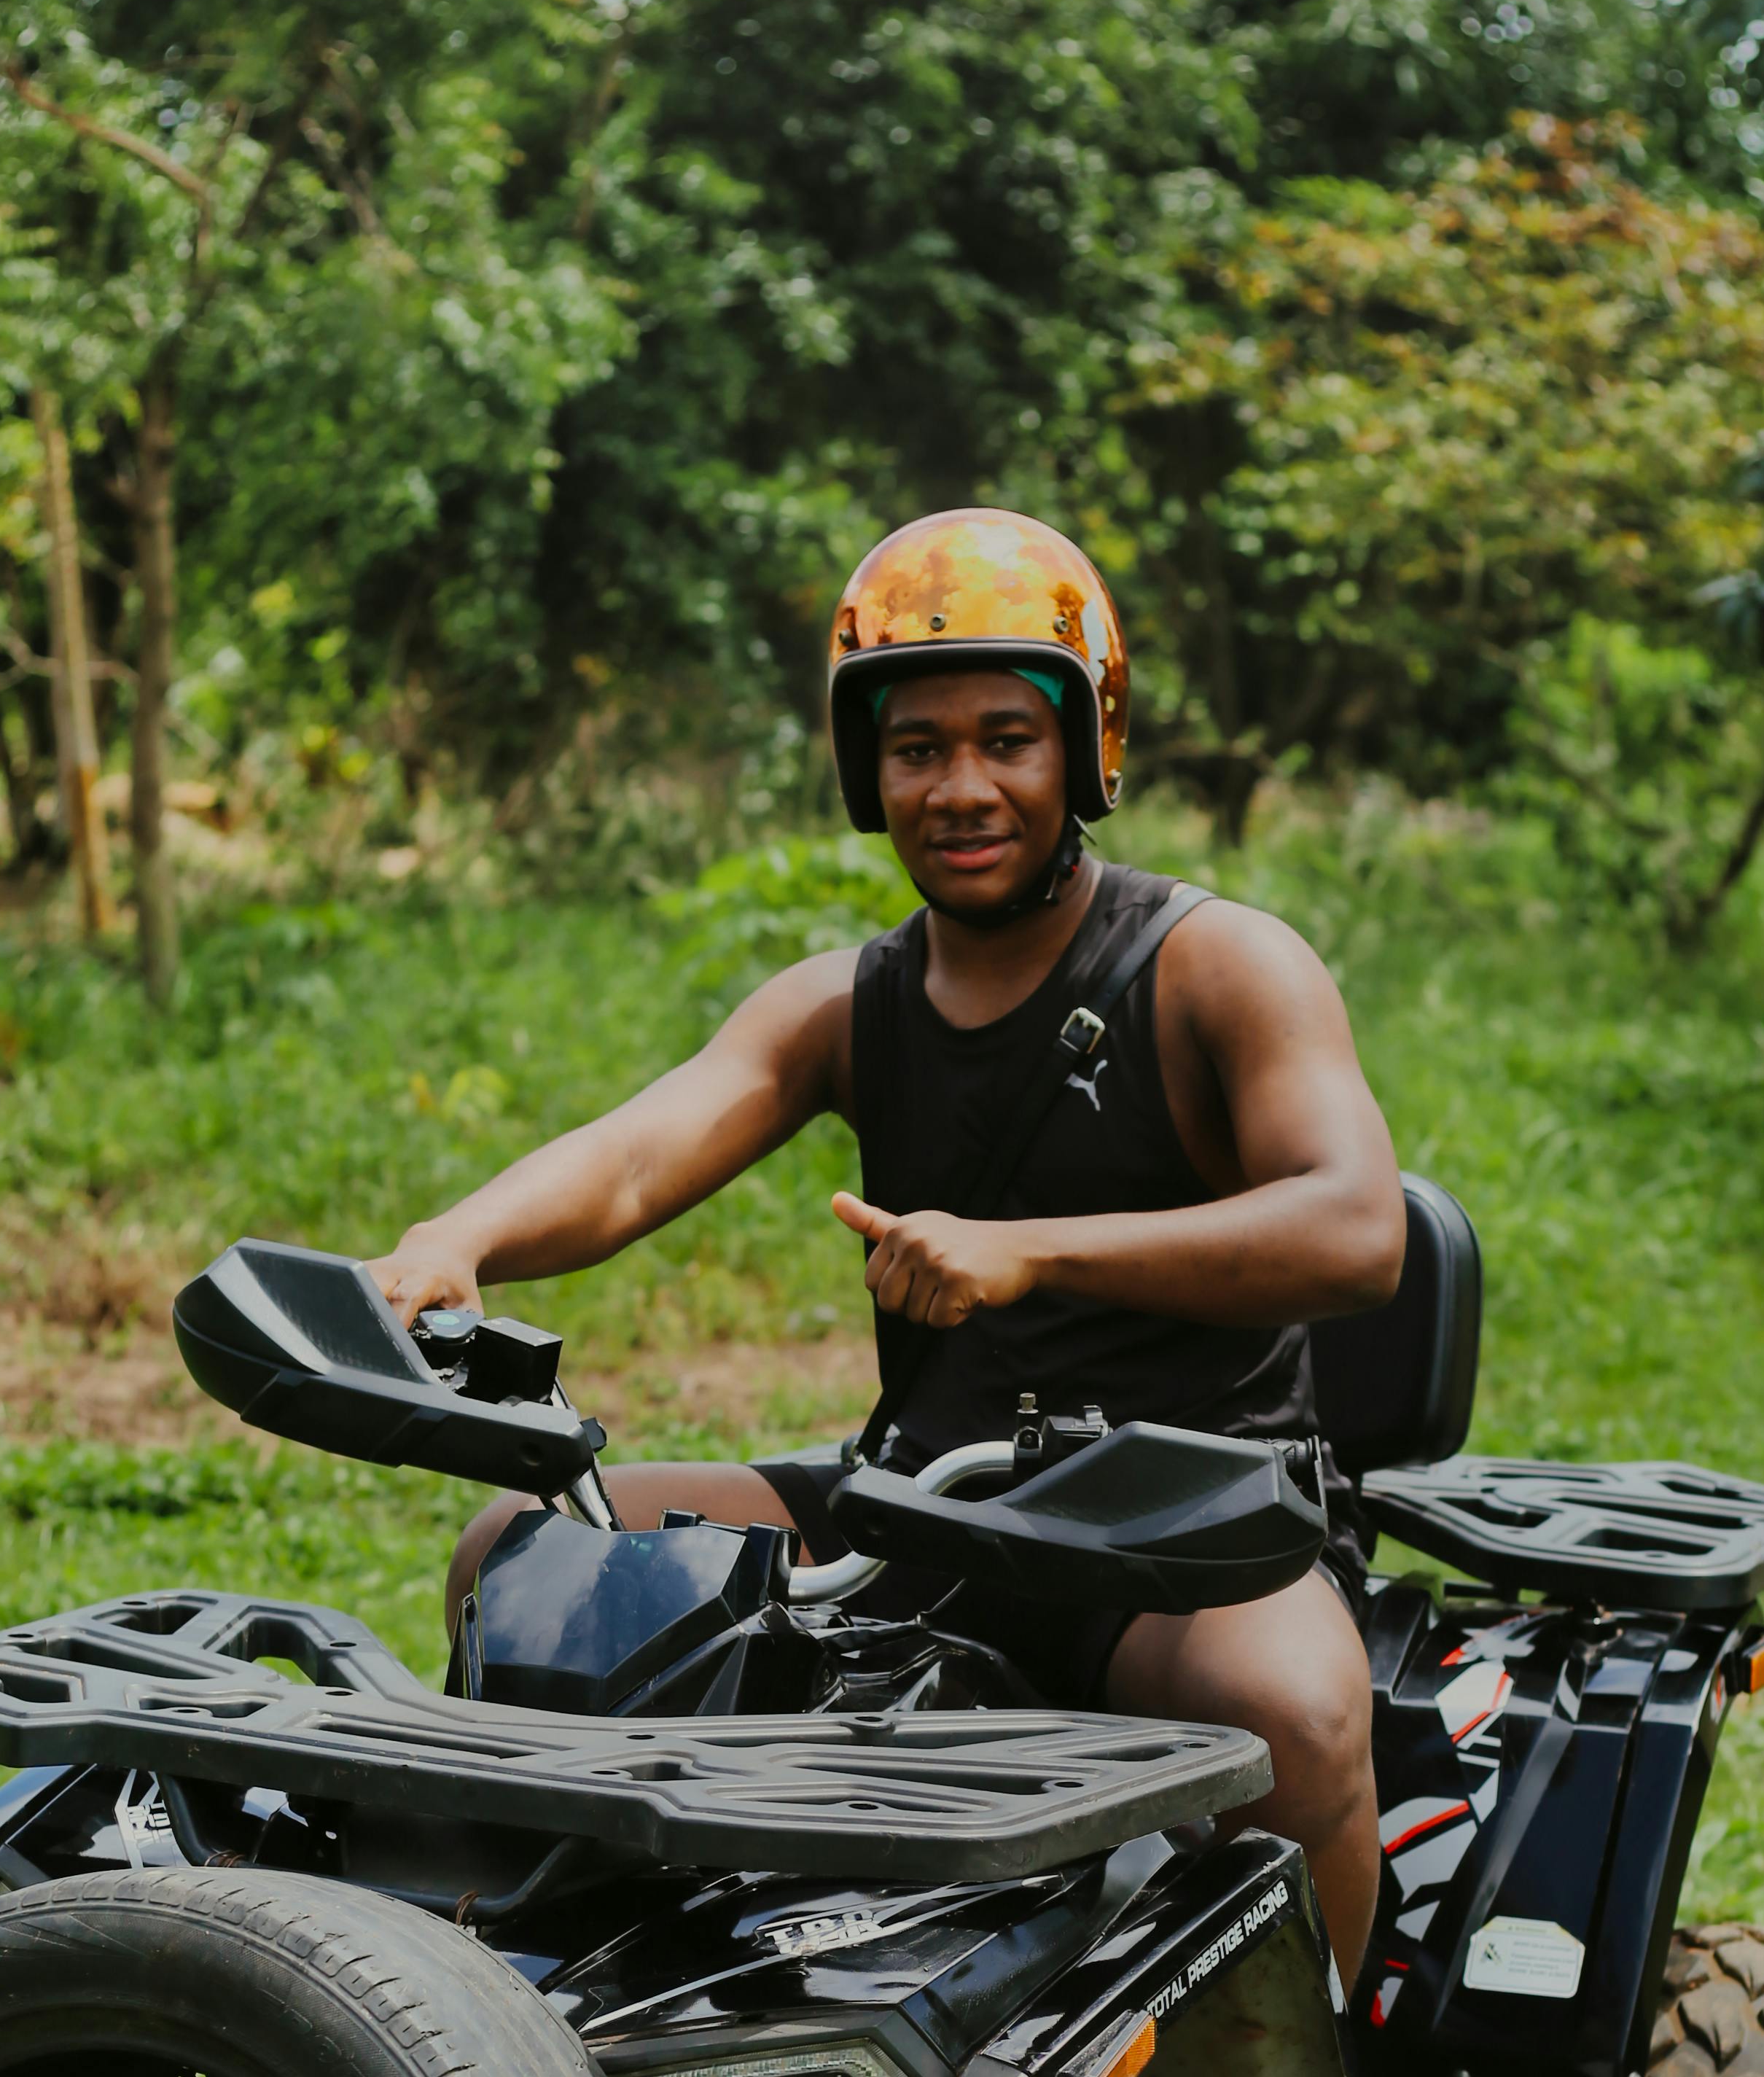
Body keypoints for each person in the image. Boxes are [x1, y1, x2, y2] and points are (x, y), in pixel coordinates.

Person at [375, 507, 1405, 1983]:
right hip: (924, 1508)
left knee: (1296, 1715)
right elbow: (636, 1153)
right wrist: (454, 1238)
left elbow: (1357, 1229)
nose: (962, 787)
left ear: (1086, 749)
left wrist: (1029, 1255)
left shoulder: (1220, 967)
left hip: (1189, 1526)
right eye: (918, 750)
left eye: (1006, 740)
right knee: (519, 1555)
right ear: (870, 771)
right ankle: (557, 2020)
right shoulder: (844, 1004)